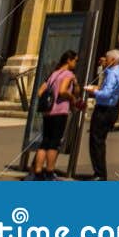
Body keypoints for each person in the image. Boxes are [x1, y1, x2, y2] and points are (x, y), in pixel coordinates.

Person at [33, 50, 79, 181]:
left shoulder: (53, 74)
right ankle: (50, 171)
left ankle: (38, 172)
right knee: (54, 143)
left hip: (48, 112)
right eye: (75, 60)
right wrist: (72, 98)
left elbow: (40, 91)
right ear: (69, 60)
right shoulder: (68, 74)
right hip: (60, 111)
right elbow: (63, 91)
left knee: (45, 142)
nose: (76, 63)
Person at [84, 49, 119, 180]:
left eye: (107, 58)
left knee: (96, 141)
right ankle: (100, 173)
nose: (105, 60)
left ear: (113, 60)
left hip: (103, 109)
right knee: (100, 140)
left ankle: (99, 174)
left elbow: (106, 93)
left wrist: (93, 91)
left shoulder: (112, 74)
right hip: (112, 108)